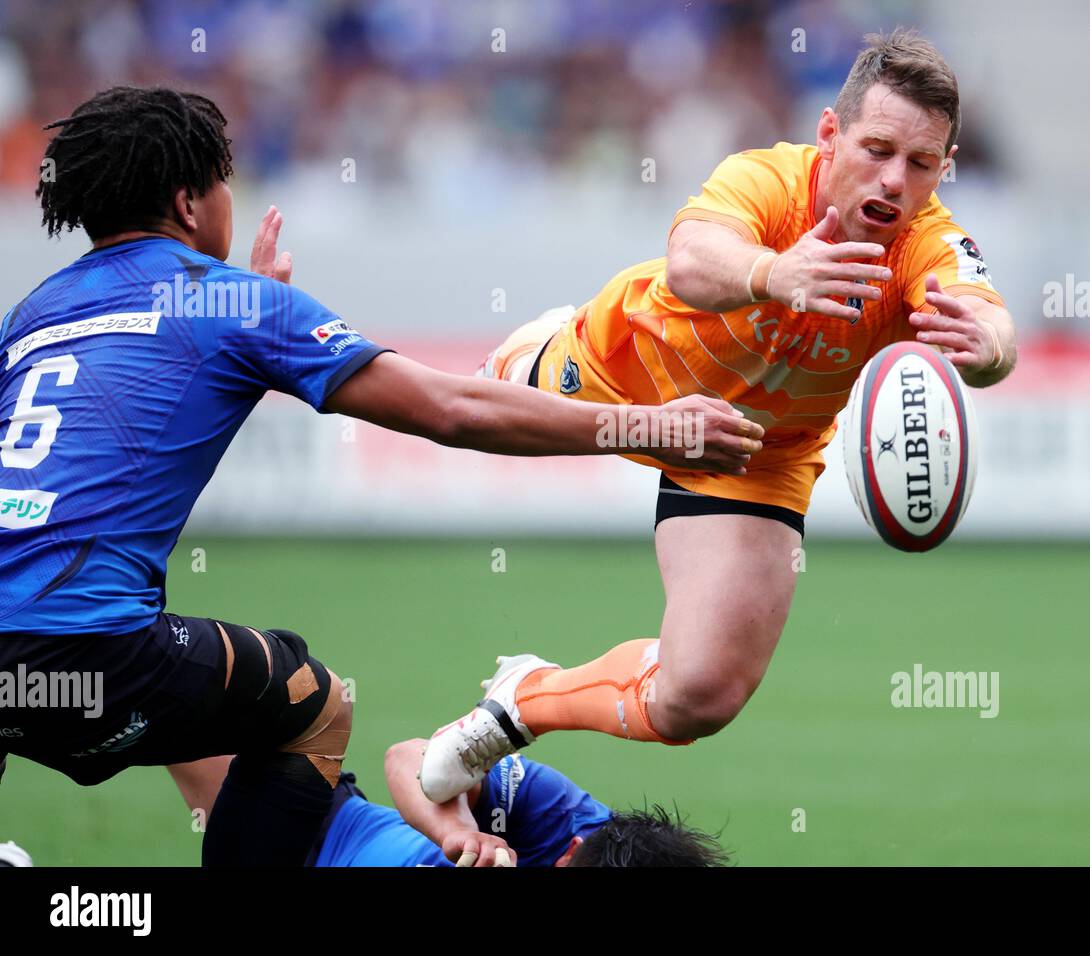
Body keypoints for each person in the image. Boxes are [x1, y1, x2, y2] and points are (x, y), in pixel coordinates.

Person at [0, 86, 759, 866]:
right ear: (190, 203)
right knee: (313, 703)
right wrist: (652, 424)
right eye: (228, 180)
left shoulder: (33, 312)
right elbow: (453, 409)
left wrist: (254, 348)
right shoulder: (224, 300)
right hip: (92, 650)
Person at [420, 30, 1018, 803]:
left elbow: (989, 321)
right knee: (478, 417)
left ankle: (520, 700)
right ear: (830, 136)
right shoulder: (764, 179)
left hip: (751, 454)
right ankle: (532, 346)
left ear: (946, 167)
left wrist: (988, 349)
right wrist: (777, 272)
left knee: (698, 698)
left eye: (922, 164)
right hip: (626, 375)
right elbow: (692, 260)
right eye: (877, 149)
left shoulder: (929, 241)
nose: (895, 181)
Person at [168, 743, 728, 868]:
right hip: (316, 826)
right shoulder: (561, 814)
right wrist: (459, 832)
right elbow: (410, 759)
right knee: (161, 703)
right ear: (570, 853)